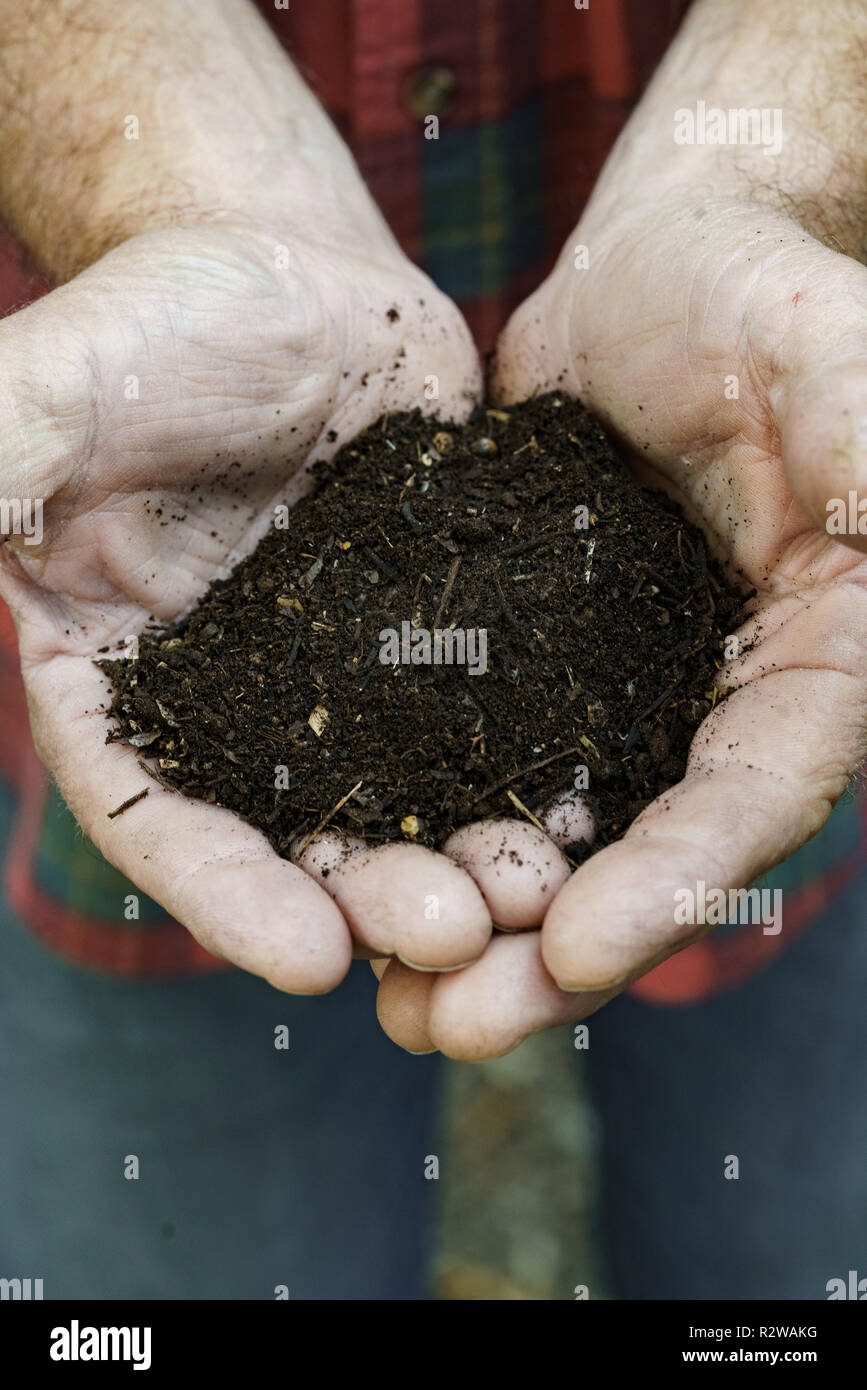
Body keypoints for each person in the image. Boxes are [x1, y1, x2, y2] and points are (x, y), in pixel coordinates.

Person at [0, 0, 865, 1299]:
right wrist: (161, 187)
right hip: (142, 503)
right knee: (196, 1262)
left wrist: (779, 163)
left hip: (764, 489)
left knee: (778, 1250)